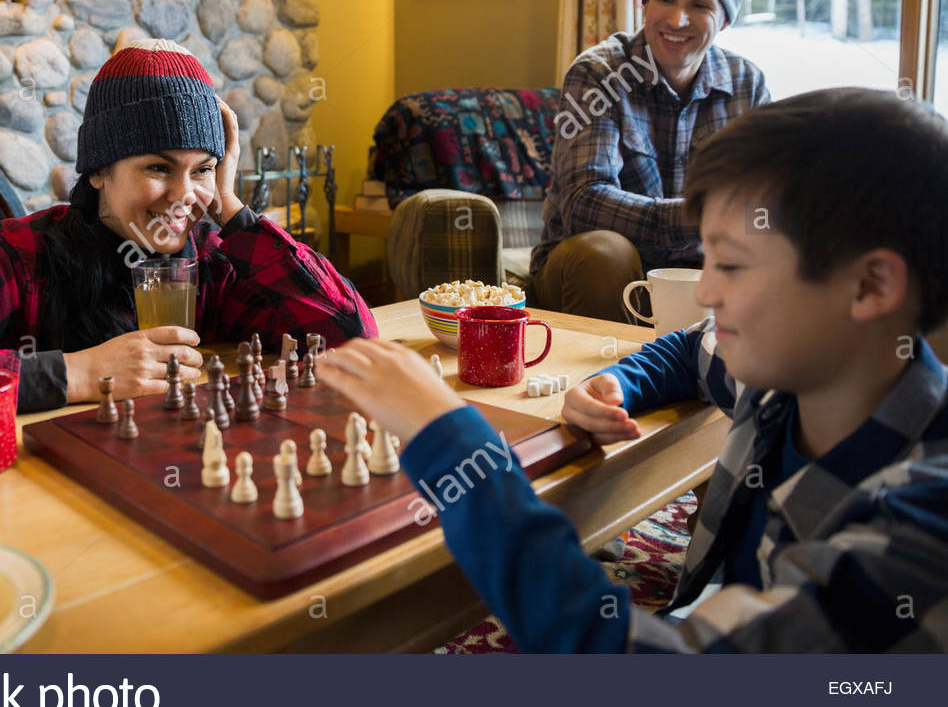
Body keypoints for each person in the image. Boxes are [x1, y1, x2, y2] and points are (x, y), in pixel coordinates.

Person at [323, 89, 948, 652]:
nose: (704, 292)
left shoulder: (917, 540)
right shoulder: (794, 374)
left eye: (731, 266)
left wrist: (453, 442)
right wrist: (617, 382)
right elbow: (686, 351)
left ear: (870, 285)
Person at [0, 39, 376, 431]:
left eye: (201, 168)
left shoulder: (219, 257)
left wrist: (230, 207)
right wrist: (74, 373)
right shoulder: (24, 256)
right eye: (157, 168)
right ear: (99, 170)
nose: (183, 197)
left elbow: (351, 334)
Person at [529, 0, 771, 322]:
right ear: (645, 3)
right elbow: (583, 203)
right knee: (606, 251)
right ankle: (611, 383)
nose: (677, 19)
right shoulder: (599, 73)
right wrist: (702, 215)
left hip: (700, 275)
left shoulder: (748, 83)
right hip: (593, 268)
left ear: (725, 19)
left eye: (700, 5)